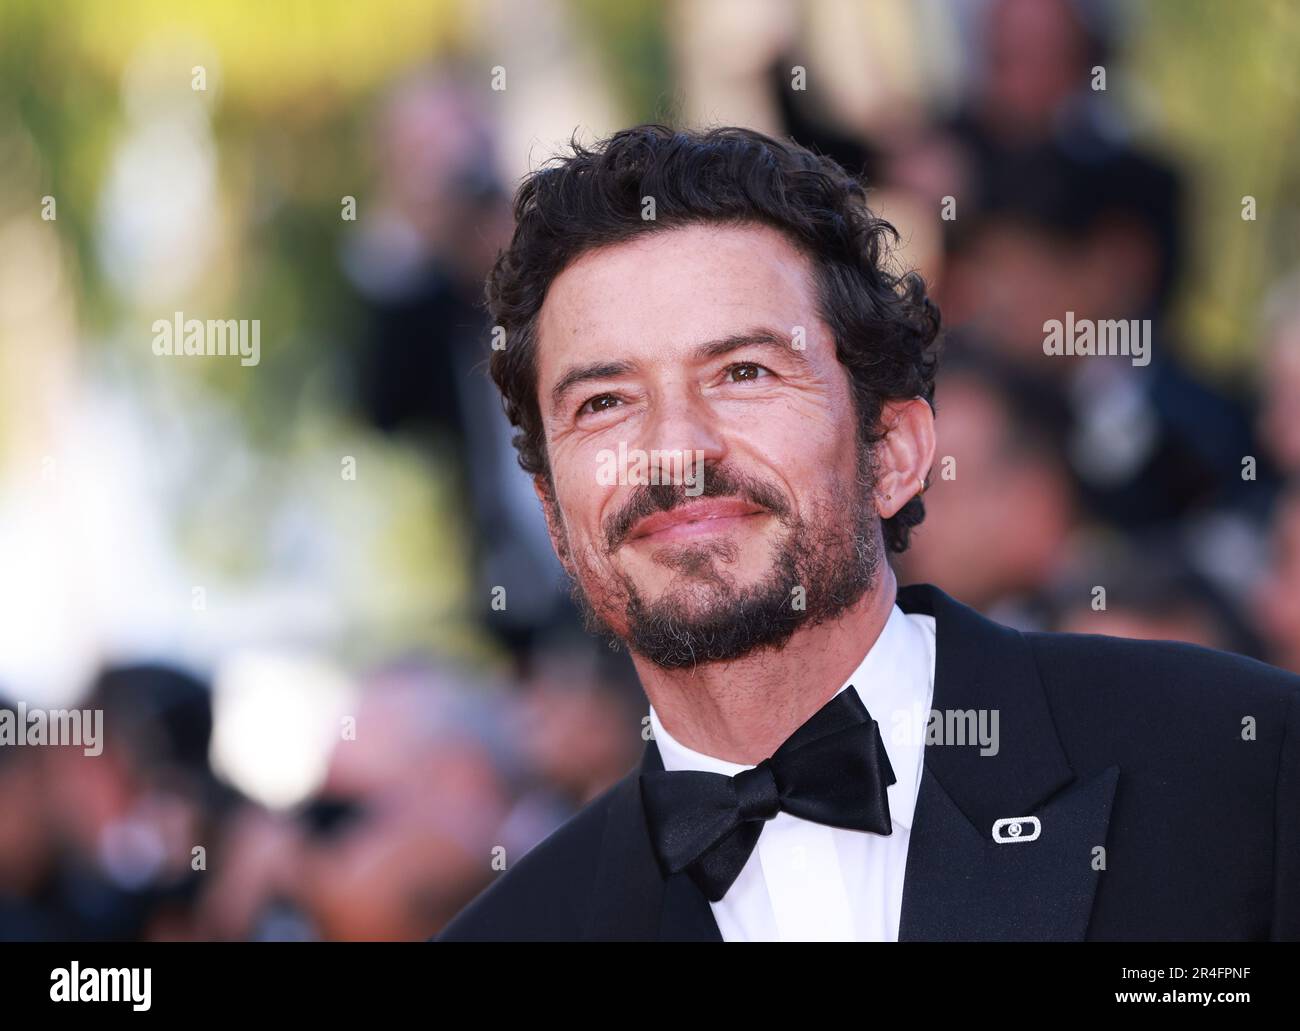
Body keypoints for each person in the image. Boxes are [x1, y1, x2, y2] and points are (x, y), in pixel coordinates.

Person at [437, 124, 1300, 941]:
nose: (675, 451)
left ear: (892, 451)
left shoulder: (1235, 764)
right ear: (554, 514)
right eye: (605, 402)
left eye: (743, 371)